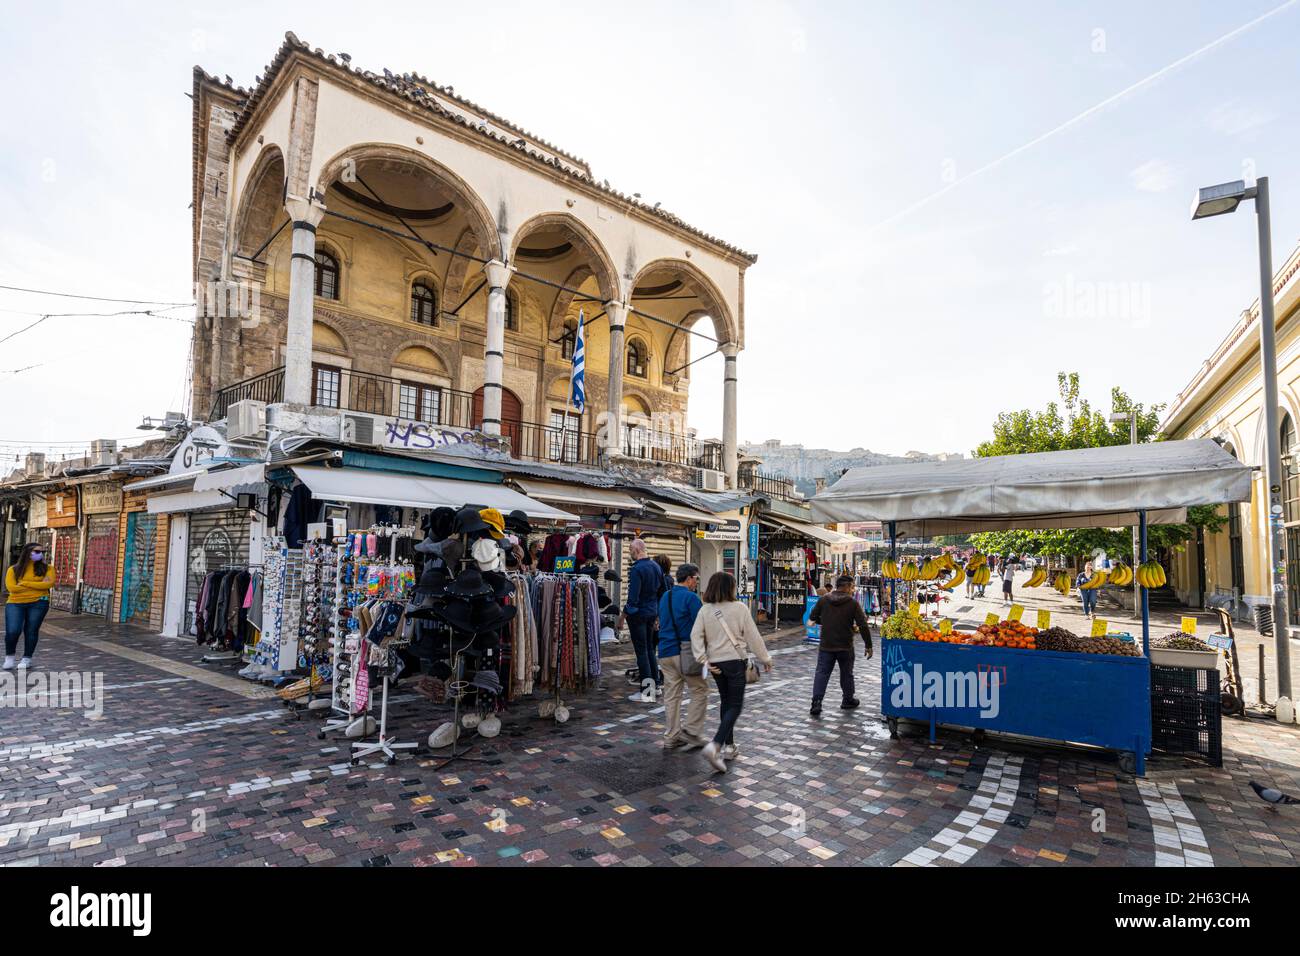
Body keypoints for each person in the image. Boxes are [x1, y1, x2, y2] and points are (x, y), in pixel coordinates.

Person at [690, 571, 774, 773]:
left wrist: (703, 659)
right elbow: (753, 636)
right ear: (730, 588)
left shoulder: (705, 610)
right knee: (735, 705)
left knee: (726, 702)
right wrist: (765, 658)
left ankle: (729, 746)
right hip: (735, 662)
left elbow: (696, 636)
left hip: (716, 664)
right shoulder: (739, 608)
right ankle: (716, 744)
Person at [808, 574, 872, 717]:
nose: (853, 590)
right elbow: (863, 625)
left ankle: (816, 702)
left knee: (822, 673)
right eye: (852, 587)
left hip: (826, 645)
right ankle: (847, 699)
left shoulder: (824, 600)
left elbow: (812, 617)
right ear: (847, 586)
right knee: (847, 674)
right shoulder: (853, 603)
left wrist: (824, 621)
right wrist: (868, 645)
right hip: (845, 645)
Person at [658, 562, 707, 751]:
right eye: (696, 579)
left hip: (665, 652)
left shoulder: (665, 596)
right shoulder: (691, 598)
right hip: (685, 652)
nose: (697, 582)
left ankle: (671, 736)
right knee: (700, 690)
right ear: (689, 579)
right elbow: (701, 625)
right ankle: (691, 731)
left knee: (672, 696)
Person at [4, 542, 55, 670]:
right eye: (37, 552)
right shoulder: (13, 569)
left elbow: (48, 585)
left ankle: (27, 658)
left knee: (31, 630)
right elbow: (12, 588)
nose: (41, 554)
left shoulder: (48, 568)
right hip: (15, 603)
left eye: (42, 552)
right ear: (27, 552)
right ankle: (9, 657)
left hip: (39, 602)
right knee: (13, 631)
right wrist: (37, 585)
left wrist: (24, 583)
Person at [620, 539, 662, 694]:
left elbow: (633, 598)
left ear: (637, 550)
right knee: (650, 649)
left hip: (638, 614)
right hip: (651, 612)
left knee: (642, 651)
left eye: (631, 549)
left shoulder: (637, 569)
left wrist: (622, 616)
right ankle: (656, 685)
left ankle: (647, 690)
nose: (630, 552)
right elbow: (661, 592)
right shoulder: (656, 567)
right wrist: (657, 615)